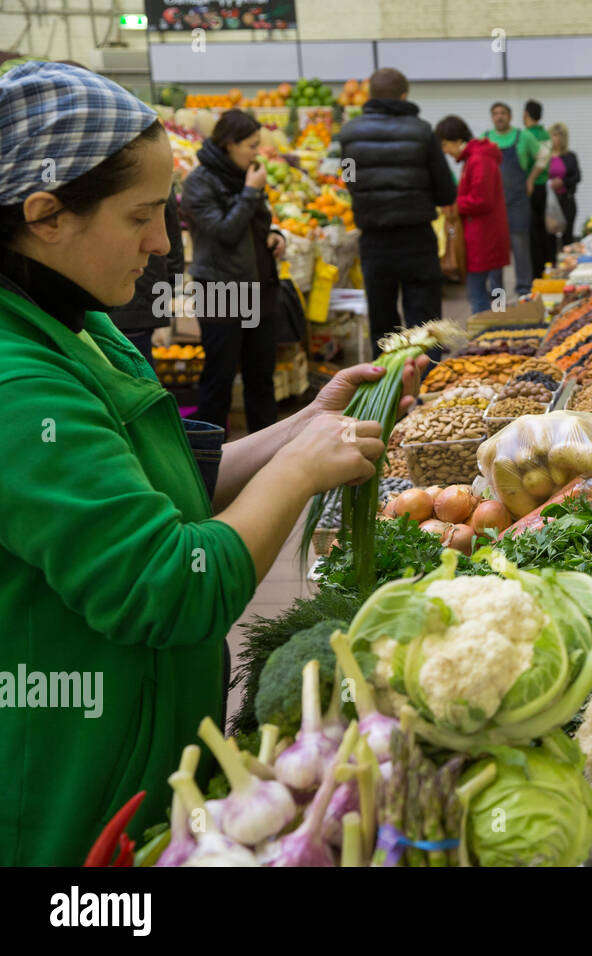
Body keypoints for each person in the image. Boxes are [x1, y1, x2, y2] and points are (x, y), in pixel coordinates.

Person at [0, 62, 425, 865]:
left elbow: (168, 482)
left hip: (136, 773)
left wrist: (306, 423)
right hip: (66, 802)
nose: (165, 243)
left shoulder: (76, 324)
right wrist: (295, 473)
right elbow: (171, 584)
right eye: (142, 216)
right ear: (46, 215)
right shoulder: (17, 383)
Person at [338, 67, 457, 353]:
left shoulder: (350, 134)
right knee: (425, 325)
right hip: (416, 240)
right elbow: (445, 192)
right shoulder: (421, 131)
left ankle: (389, 392)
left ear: (369, 95)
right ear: (404, 96)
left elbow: (350, 181)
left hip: (375, 241)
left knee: (383, 326)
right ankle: (427, 392)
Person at [181, 109, 284, 433]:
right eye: (251, 145)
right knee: (219, 379)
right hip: (220, 290)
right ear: (229, 144)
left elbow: (257, 222)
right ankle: (210, 462)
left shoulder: (247, 172)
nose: (257, 153)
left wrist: (274, 236)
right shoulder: (199, 181)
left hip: (260, 287)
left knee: (261, 378)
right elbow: (223, 231)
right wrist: (251, 191)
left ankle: (268, 457)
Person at [436, 115, 510, 316]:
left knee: (477, 291)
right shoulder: (476, 158)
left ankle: (486, 336)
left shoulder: (479, 159)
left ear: (456, 140)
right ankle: (499, 325)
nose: (444, 151)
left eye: (444, 144)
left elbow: (481, 199)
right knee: (495, 286)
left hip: (483, 235)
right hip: (488, 233)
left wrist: (454, 204)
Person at [107, 188, 183, 369]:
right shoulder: (158, 176)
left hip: (127, 300)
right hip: (140, 298)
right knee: (140, 376)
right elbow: (172, 245)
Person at [484, 102, 536, 296]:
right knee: (495, 250)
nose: (499, 117)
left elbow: (543, 155)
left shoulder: (523, 136)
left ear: (510, 116)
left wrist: (531, 179)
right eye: (495, 113)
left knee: (520, 246)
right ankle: (498, 298)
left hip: (518, 202)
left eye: (503, 113)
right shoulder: (485, 139)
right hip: (493, 205)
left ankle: (524, 292)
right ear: (491, 117)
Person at [522, 99, 553, 280]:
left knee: (532, 232)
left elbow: (539, 160)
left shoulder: (526, 135)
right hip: (543, 187)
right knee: (542, 229)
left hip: (530, 187)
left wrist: (530, 180)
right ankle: (545, 268)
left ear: (525, 114)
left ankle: (535, 274)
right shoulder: (545, 135)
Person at [547, 122, 582, 248]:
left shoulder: (570, 156)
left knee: (567, 235)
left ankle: (567, 261)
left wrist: (563, 182)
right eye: (554, 135)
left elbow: (577, 176)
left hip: (566, 199)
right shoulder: (544, 157)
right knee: (549, 236)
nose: (556, 139)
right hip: (549, 202)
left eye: (559, 136)